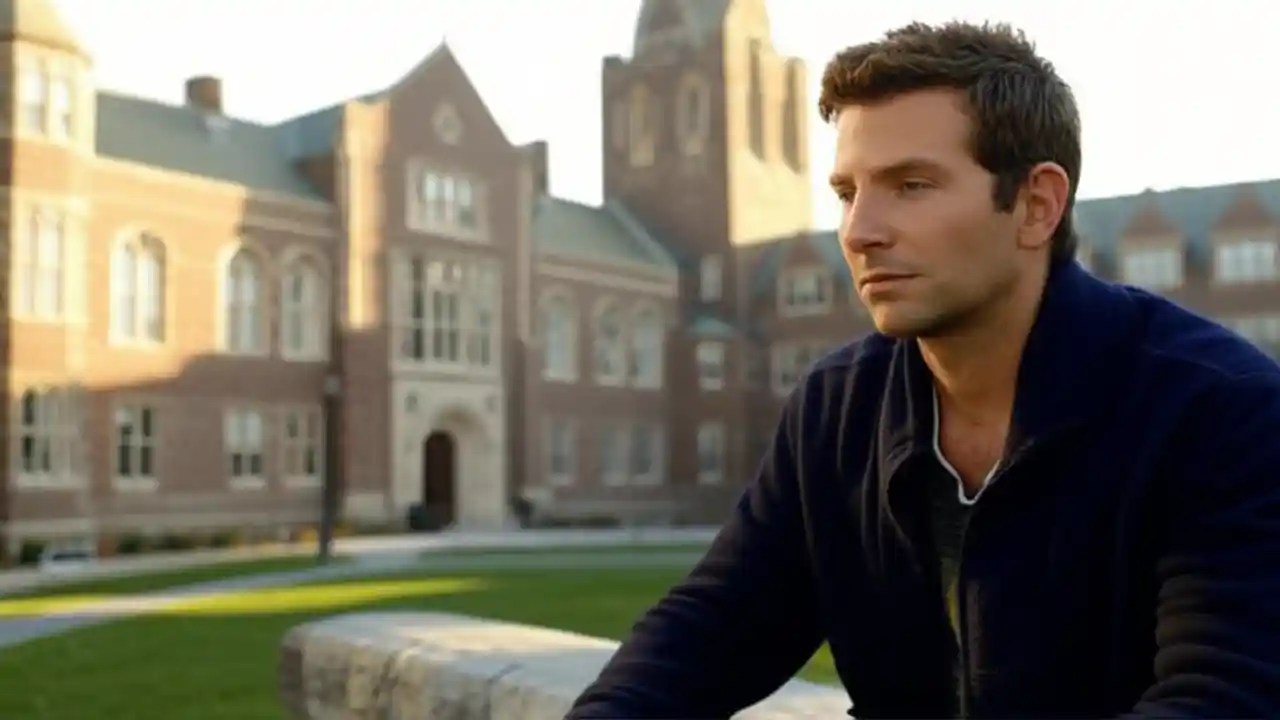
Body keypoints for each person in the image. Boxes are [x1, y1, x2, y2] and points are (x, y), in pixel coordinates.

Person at [566, 19, 1280, 719]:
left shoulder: (1218, 411)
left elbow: (1222, 693)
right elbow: (714, 626)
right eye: (848, 192)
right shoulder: (838, 408)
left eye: (910, 186)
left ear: (1036, 205)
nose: (859, 230)